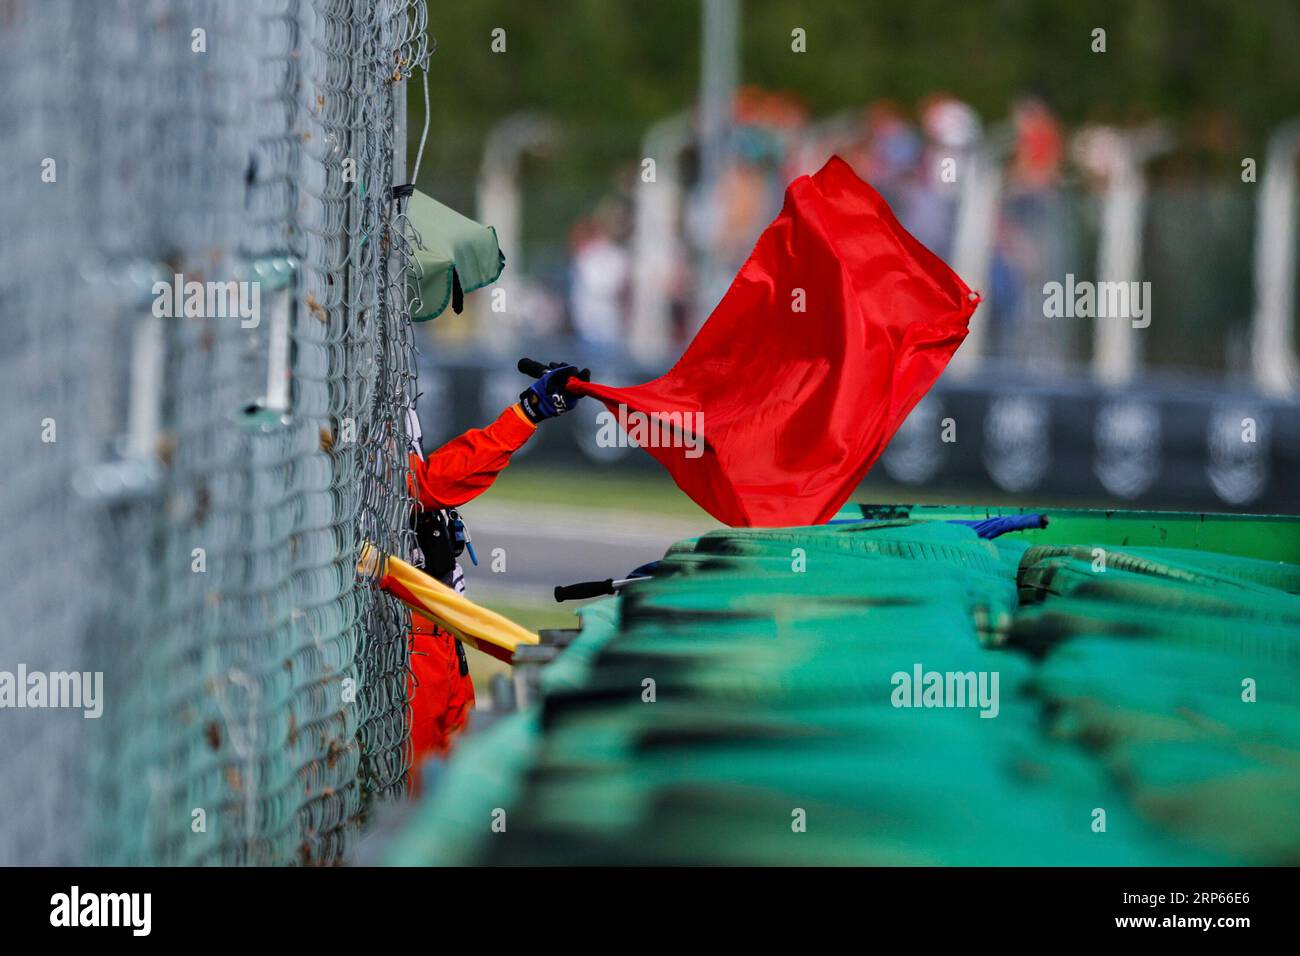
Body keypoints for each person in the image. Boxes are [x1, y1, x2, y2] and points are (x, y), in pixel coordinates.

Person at [402, 361, 590, 771]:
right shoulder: (351, 408)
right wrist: (525, 414)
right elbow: (428, 486)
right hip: (406, 633)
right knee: (416, 792)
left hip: (441, 617)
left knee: (457, 777)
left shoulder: (382, 390)